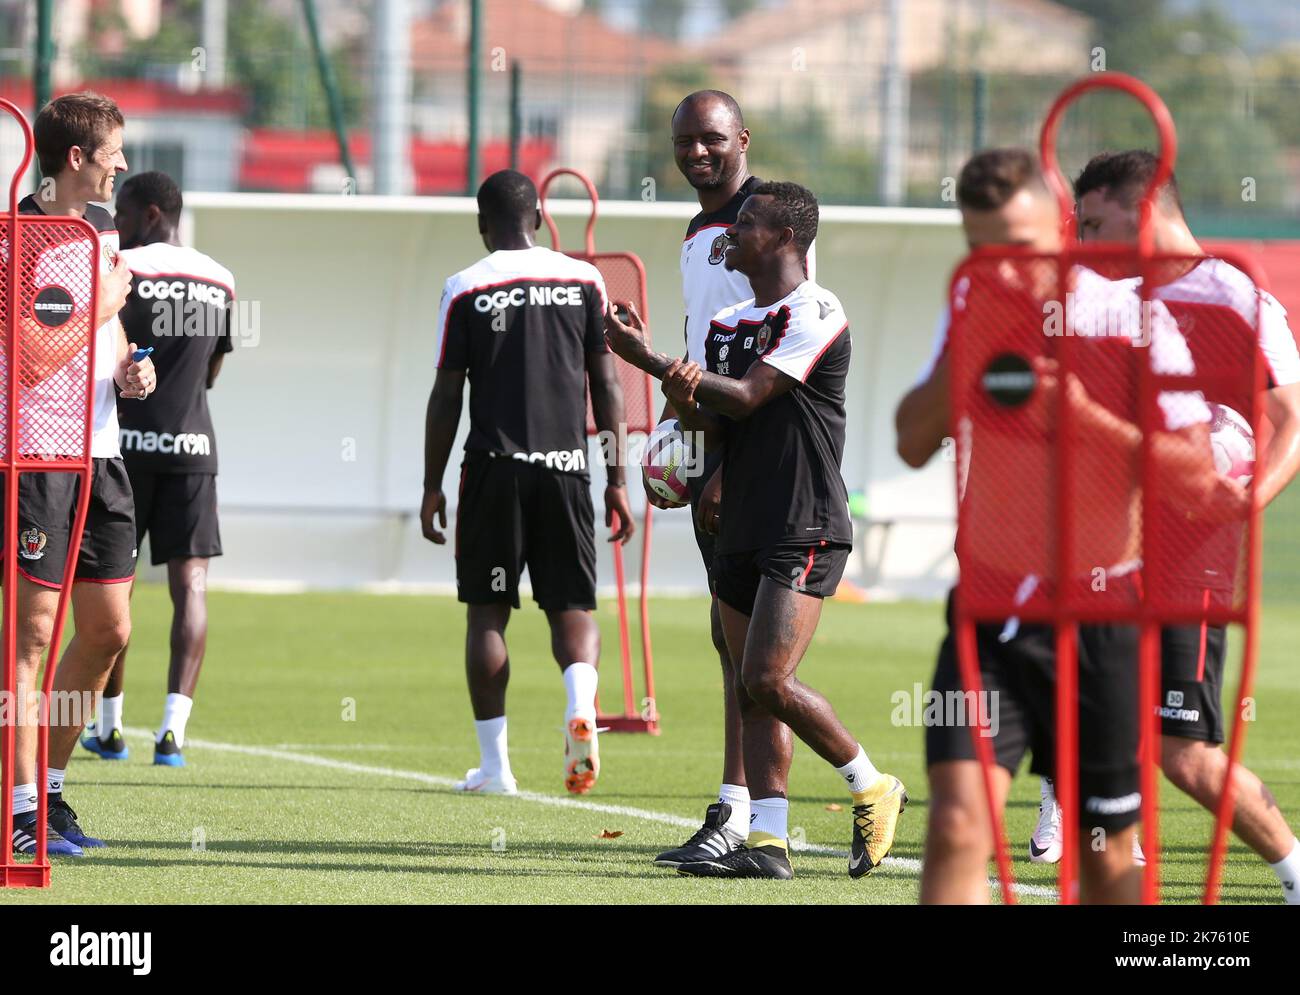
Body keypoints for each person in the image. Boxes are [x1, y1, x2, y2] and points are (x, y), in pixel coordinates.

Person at [896, 148, 1221, 904]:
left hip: (1103, 620)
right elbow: (912, 442)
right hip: (991, 615)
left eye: (1017, 245)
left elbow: (1196, 477)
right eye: (982, 247)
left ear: (1062, 225)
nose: (1001, 266)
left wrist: (1087, 419)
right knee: (954, 824)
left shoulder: (1130, 319)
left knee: (1106, 857)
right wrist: (967, 359)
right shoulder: (973, 306)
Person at [1019, 150, 1300, 903]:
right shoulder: (1111, 301)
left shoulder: (1234, 295)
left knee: (1187, 755)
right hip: (1108, 543)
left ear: (1143, 212)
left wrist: (1245, 498)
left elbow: (1289, 420)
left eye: (1101, 223)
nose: (1092, 241)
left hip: (1192, 553)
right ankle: (1088, 843)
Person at [606, 180, 905, 879]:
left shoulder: (818, 310)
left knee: (770, 676)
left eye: (745, 225)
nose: (730, 235)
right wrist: (685, 447)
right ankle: (769, 842)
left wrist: (646, 357)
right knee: (746, 683)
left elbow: (746, 394)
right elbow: (719, 417)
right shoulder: (726, 320)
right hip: (739, 517)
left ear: (784, 239)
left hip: (804, 521)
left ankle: (872, 784)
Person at [420, 169, 632, 796]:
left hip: (493, 473)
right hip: (568, 472)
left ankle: (495, 769)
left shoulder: (465, 288)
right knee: (572, 608)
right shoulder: (584, 279)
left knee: (487, 614)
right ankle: (582, 703)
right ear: (539, 217)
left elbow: (446, 393)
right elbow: (610, 386)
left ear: (483, 225)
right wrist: (617, 477)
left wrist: (431, 484)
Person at [5, 92, 154, 856]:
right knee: (30, 637)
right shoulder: (18, 236)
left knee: (107, 631)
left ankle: (49, 791)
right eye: (113, 153)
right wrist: (103, 306)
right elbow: (31, 356)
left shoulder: (101, 226)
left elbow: (108, 323)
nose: (123, 166)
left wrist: (130, 365)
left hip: (102, 449)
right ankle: (19, 807)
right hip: (37, 455)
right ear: (75, 158)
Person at [79, 170, 236, 768]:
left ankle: (110, 728)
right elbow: (212, 373)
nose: (114, 221)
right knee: (190, 587)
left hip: (123, 449)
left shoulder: (121, 266)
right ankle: (172, 733)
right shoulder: (221, 278)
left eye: (121, 209)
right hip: (195, 448)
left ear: (147, 214)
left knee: (112, 589)